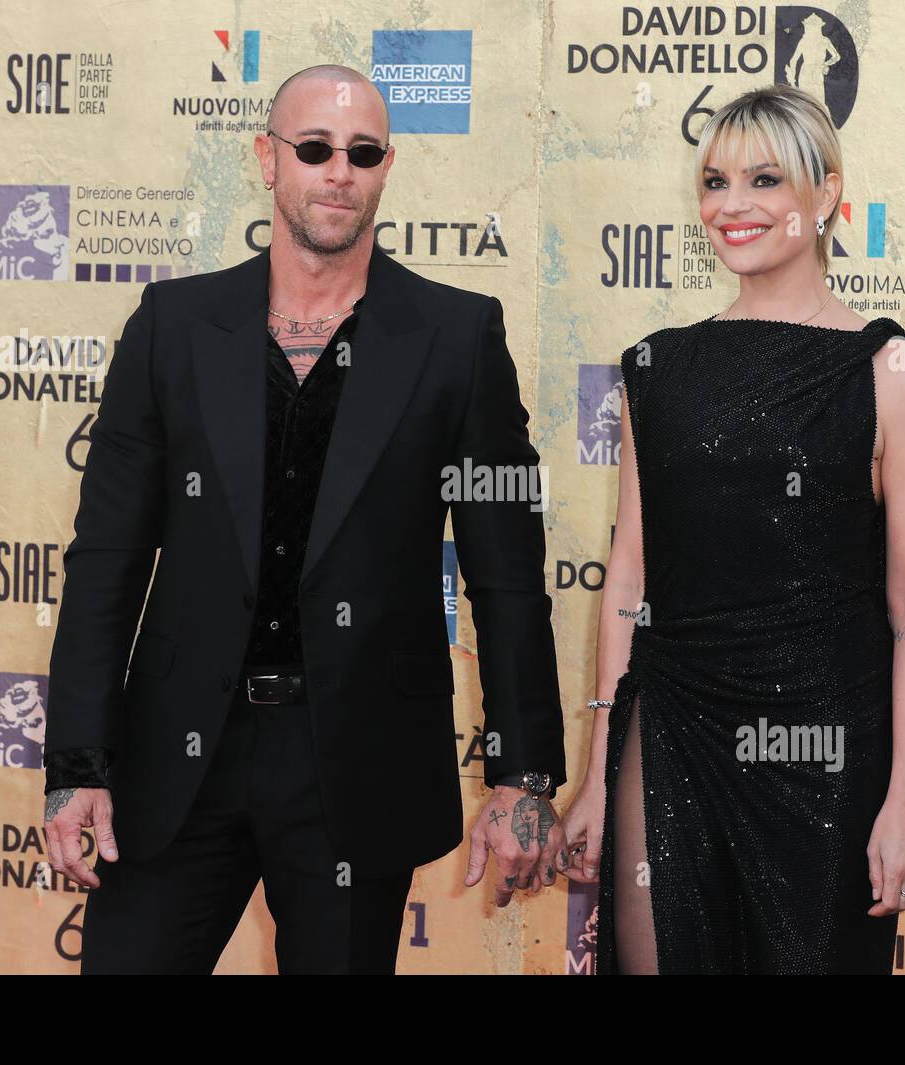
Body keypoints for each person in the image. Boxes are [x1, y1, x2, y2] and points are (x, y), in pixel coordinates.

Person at [41, 64, 567, 974]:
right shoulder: (174, 322)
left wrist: (523, 774)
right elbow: (107, 558)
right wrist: (78, 764)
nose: (338, 172)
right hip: (179, 754)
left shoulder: (455, 336)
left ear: (386, 167)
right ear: (267, 159)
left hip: (354, 763)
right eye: (315, 148)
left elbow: (509, 576)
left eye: (362, 153)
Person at [560, 84, 905, 974]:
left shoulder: (891, 368)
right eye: (714, 180)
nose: (732, 205)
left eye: (765, 179)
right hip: (671, 734)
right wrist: (595, 770)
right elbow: (628, 578)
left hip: (826, 751)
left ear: (827, 196)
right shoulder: (656, 367)